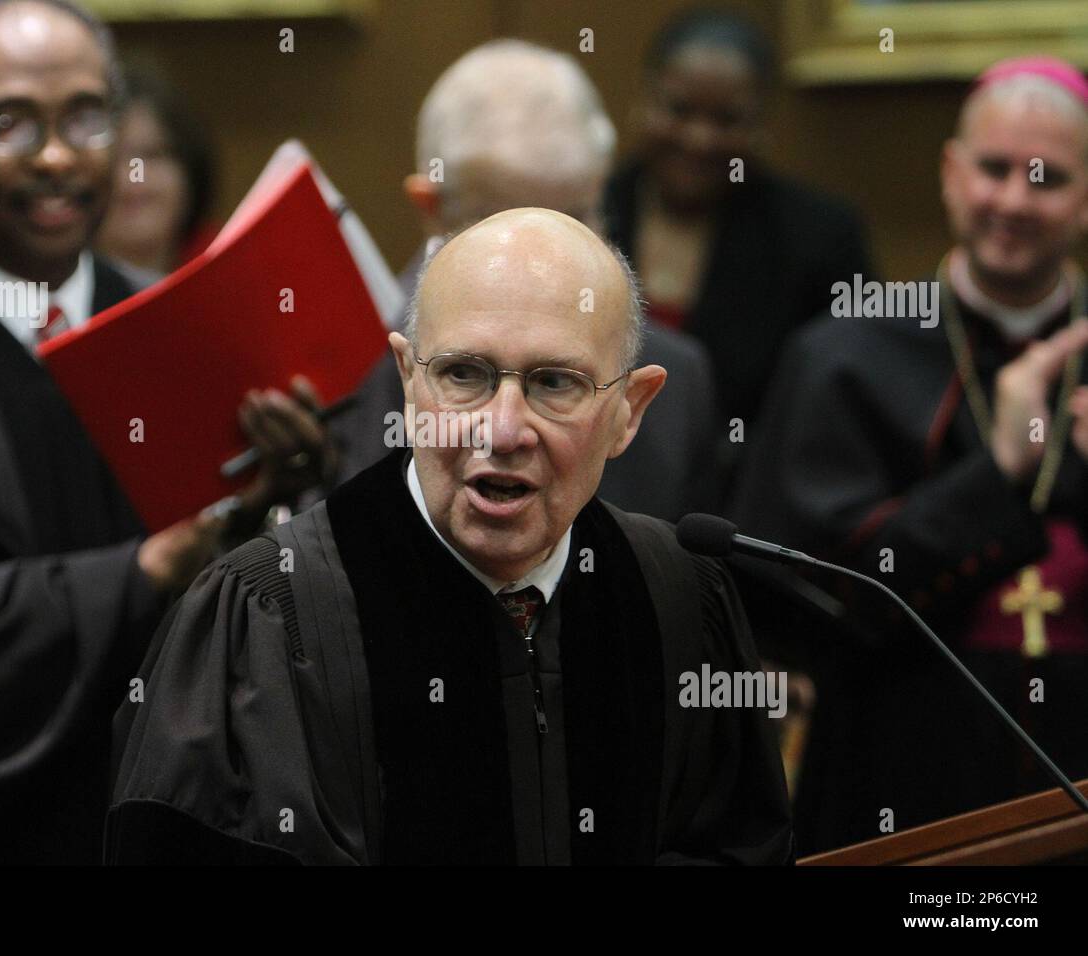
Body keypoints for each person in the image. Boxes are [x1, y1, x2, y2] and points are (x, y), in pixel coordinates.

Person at [0, 0, 327, 864]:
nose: (54, 157)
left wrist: (286, 497)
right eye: (8, 123)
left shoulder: (182, 334)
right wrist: (145, 570)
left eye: (85, 117)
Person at [107, 208, 793, 865]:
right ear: (409, 383)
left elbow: (734, 847)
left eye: (555, 383)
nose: (501, 429)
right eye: (464, 374)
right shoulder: (266, 614)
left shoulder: (675, 593)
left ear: (629, 410)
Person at [734, 57, 1088, 850]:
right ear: (951, 174)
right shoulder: (843, 356)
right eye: (993, 170)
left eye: (1048, 179)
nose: (1012, 201)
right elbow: (810, 606)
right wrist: (998, 474)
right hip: (897, 765)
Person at [332, 39, 719, 520]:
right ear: (432, 210)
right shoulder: (335, 373)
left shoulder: (674, 376)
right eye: (506, 224)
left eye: (575, 219)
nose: (547, 254)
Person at [603, 8, 873, 486]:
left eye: (726, 119)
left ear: (761, 125)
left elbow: (842, 404)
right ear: (644, 103)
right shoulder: (589, 215)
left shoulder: (819, 237)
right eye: (679, 110)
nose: (699, 138)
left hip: (751, 511)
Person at [95, 63, 221, 276]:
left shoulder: (236, 267)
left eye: (152, 154)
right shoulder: (41, 293)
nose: (134, 177)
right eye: (114, 158)